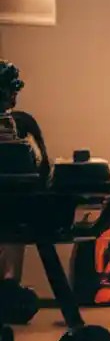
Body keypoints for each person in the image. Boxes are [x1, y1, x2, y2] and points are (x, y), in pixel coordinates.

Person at [0, 59, 46, 285]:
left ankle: (10, 284)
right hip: (17, 205)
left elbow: (41, 168)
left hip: (18, 205)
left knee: (15, 227)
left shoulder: (22, 124)